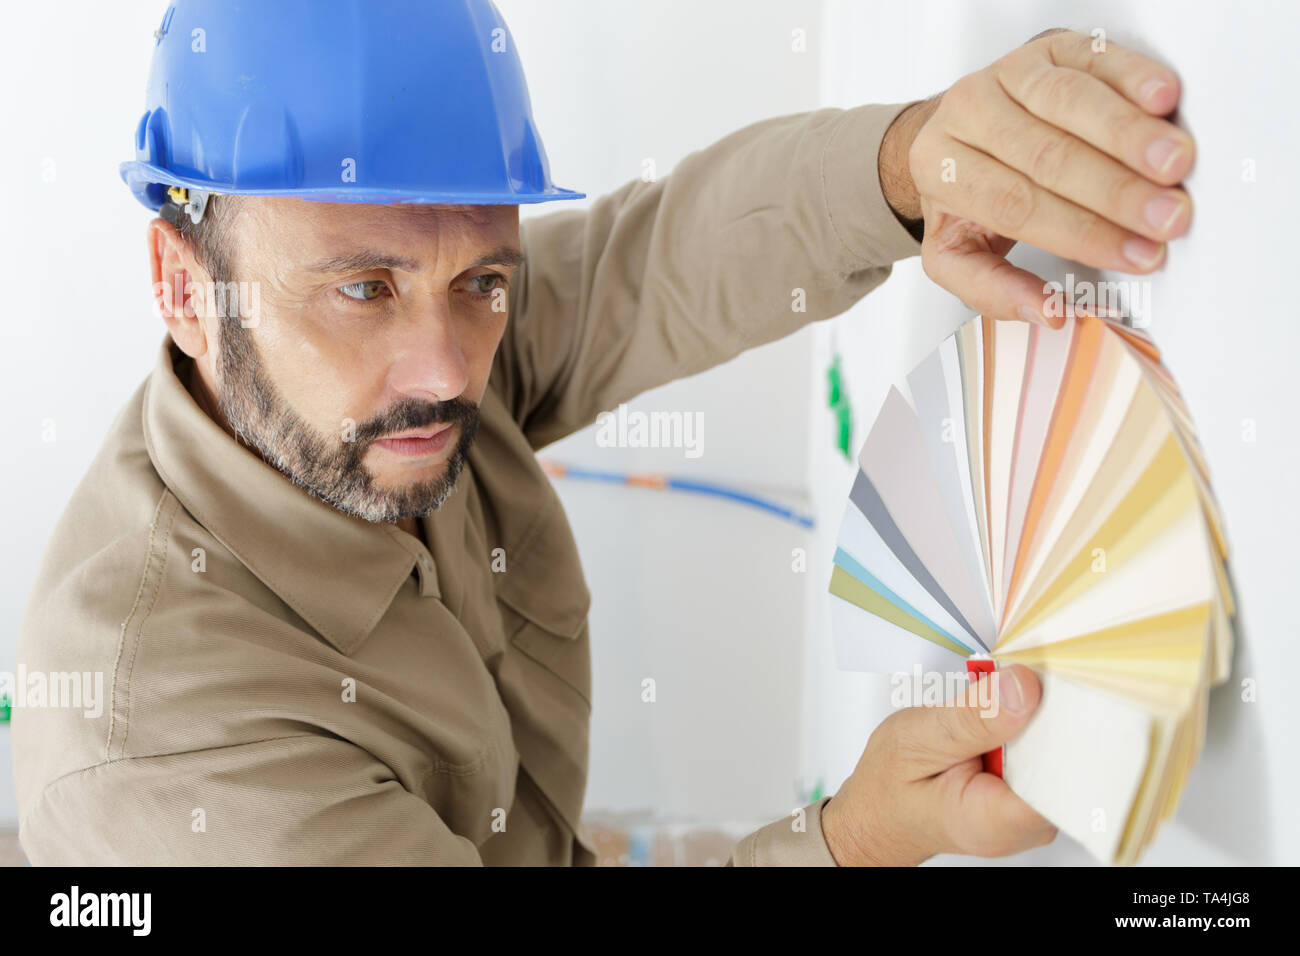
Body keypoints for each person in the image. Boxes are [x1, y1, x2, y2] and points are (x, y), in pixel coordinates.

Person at [13, 1, 1192, 865]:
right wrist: (854, 838)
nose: (448, 373)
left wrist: (912, 165)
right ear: (184, 286)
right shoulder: (169, 738)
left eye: (484, 279)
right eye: (361, 289)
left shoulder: (389, 382)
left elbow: (655, 259)